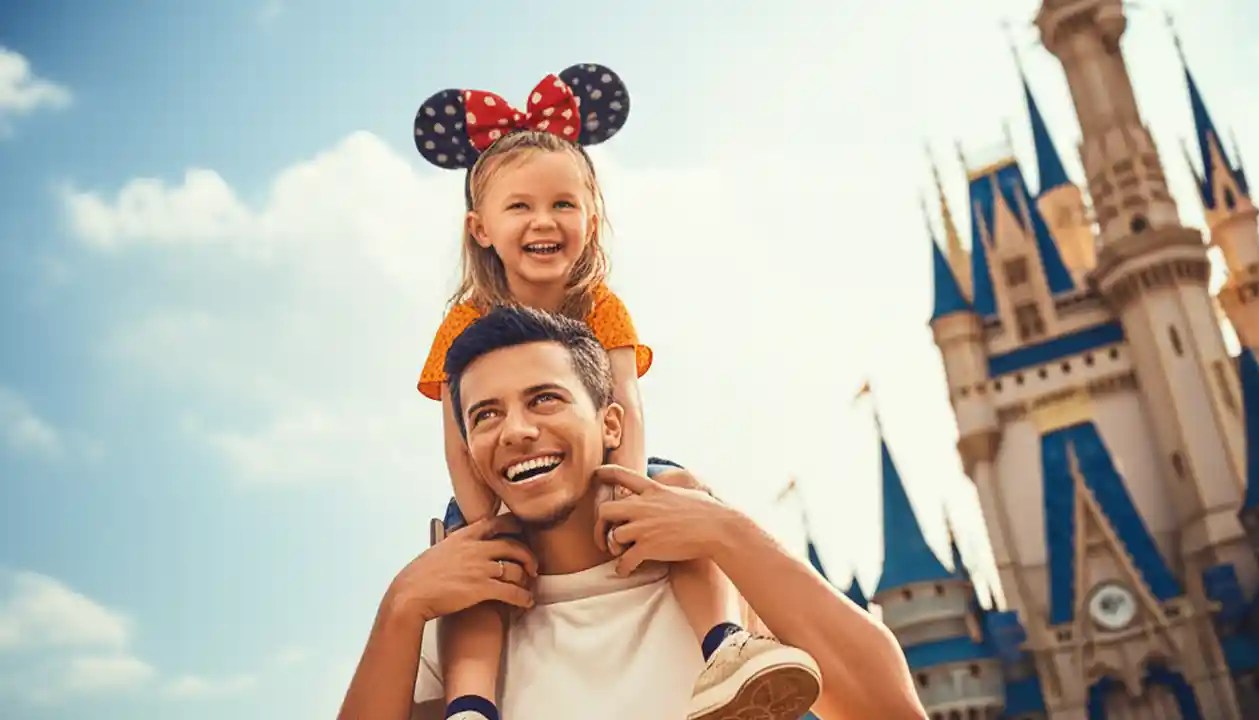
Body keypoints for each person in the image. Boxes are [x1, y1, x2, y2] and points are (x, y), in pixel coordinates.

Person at [409, 63, 818, 720]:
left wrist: (627, 493)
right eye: (520, 206)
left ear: (591, 219)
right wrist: (488, 516)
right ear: (480, 228)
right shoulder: (465, 322)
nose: (544, 220)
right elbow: (460, 435)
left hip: (601, 470)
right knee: (472, 566)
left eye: (563, 204)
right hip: (506, 487)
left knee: (682, 495)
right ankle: (471, 701)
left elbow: (625, 403)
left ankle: (726, 645)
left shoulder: (602, 307)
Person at [337, 307, 928, 720]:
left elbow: (893, 714)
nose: (516, 431)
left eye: (544, 398)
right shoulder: (460, 618)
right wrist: (398, 608)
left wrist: (727, 531)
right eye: (486, 415)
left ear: (611, 423)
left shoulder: (715, 571)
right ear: (467, 453)